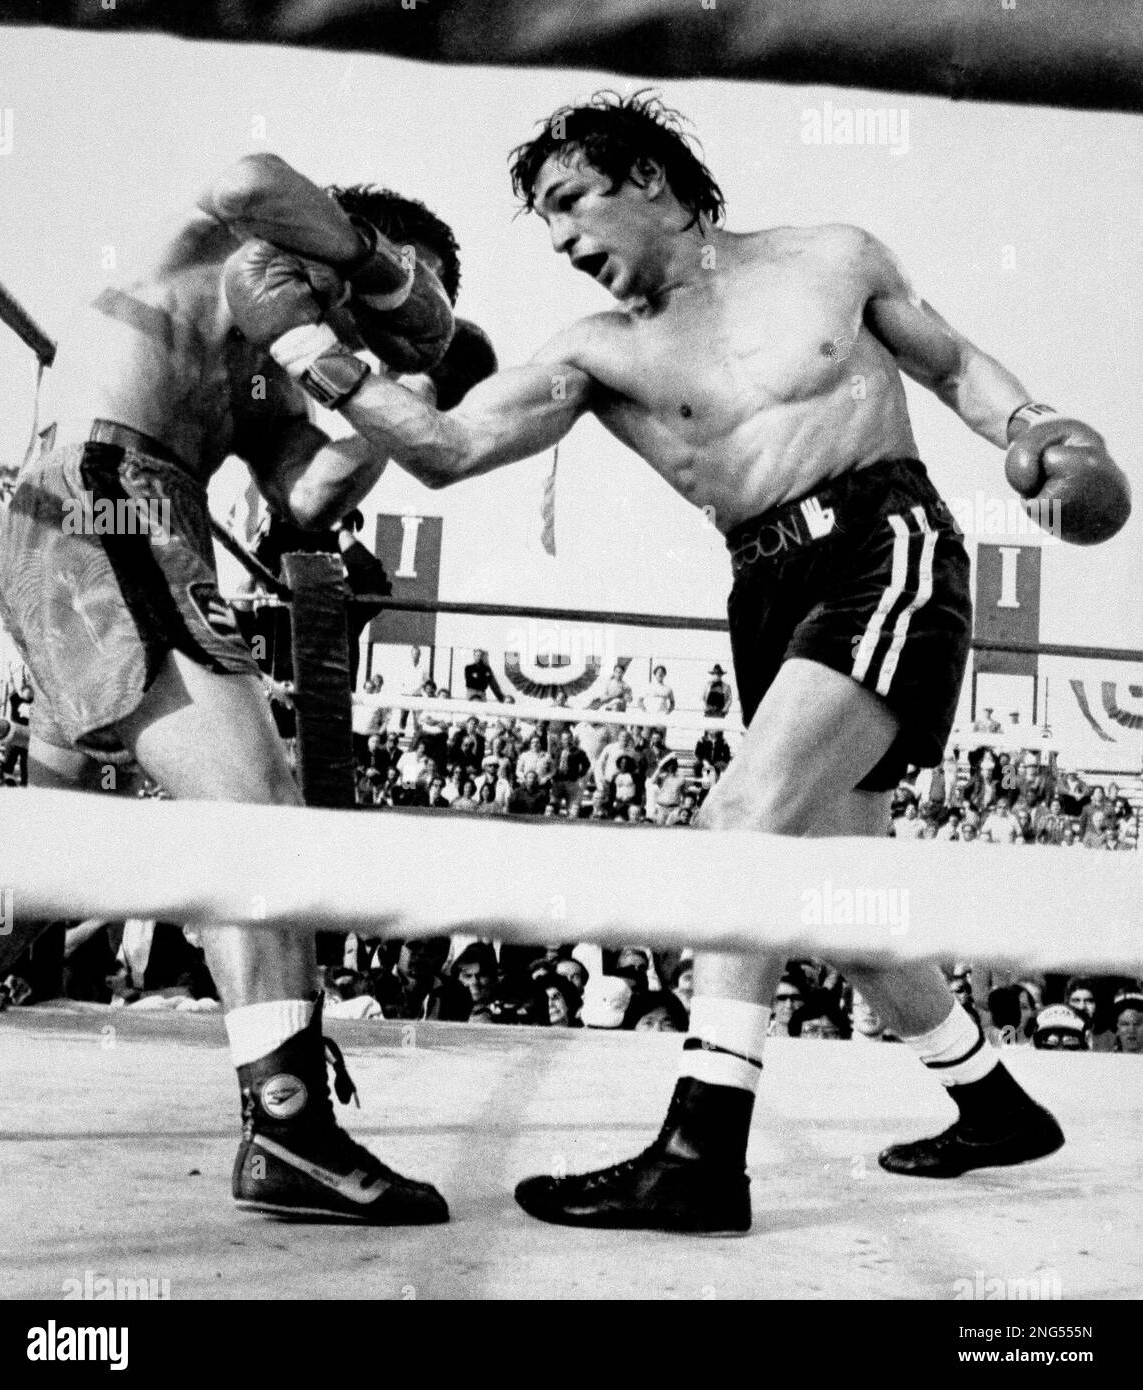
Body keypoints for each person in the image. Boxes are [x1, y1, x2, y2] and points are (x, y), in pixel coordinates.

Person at [225, 92, 1128, 1235]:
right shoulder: (595, 353)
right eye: (544, 222)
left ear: (647, 180)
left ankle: (701, 1151)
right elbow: (447, 451)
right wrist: (315, 354)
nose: (559, 240)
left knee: (737, 826)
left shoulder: (828, 258)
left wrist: (1040, 429)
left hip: (876, 544)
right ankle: (988, 1100)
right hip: (762, 593)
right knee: (835, 895)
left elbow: (951, 366)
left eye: (568, 201)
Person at [0, 154, 483, 1221]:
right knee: (254, 821)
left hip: (130, 522)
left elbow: (308, 494)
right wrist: (377, 267)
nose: (392, 326)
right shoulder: (216, 248)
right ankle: (290, 1127)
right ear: (355, 251)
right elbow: (245, 174)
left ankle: (287, 1121)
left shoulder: (266, 369)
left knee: (48, 869)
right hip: (106, 501)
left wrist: (419, 391)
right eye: (403, 295)